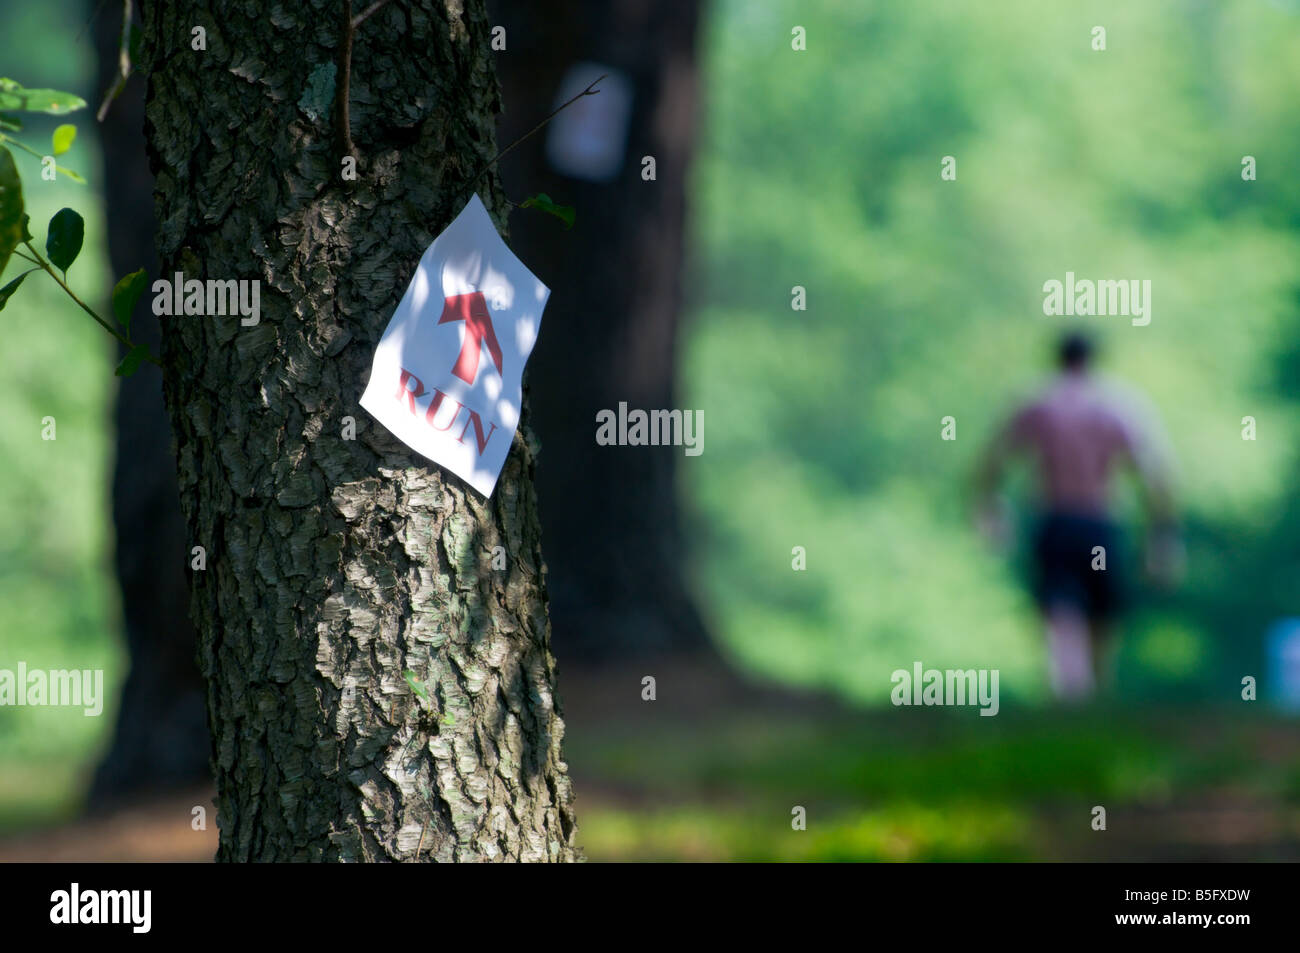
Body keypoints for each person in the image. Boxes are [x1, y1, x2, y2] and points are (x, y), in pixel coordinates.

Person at [975, 333, 1183, 699]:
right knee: (1101, 619)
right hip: (1100, 523)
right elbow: (1156, 475)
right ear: (1094, 358)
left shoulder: (1037, 403)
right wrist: (1161, 538)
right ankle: (1089, 699)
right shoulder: (1119, 404)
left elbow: (993, 461)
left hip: (1055, 520)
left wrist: (990, 512)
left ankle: (1070, 691)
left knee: (1059, 613)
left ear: (1057, 358)